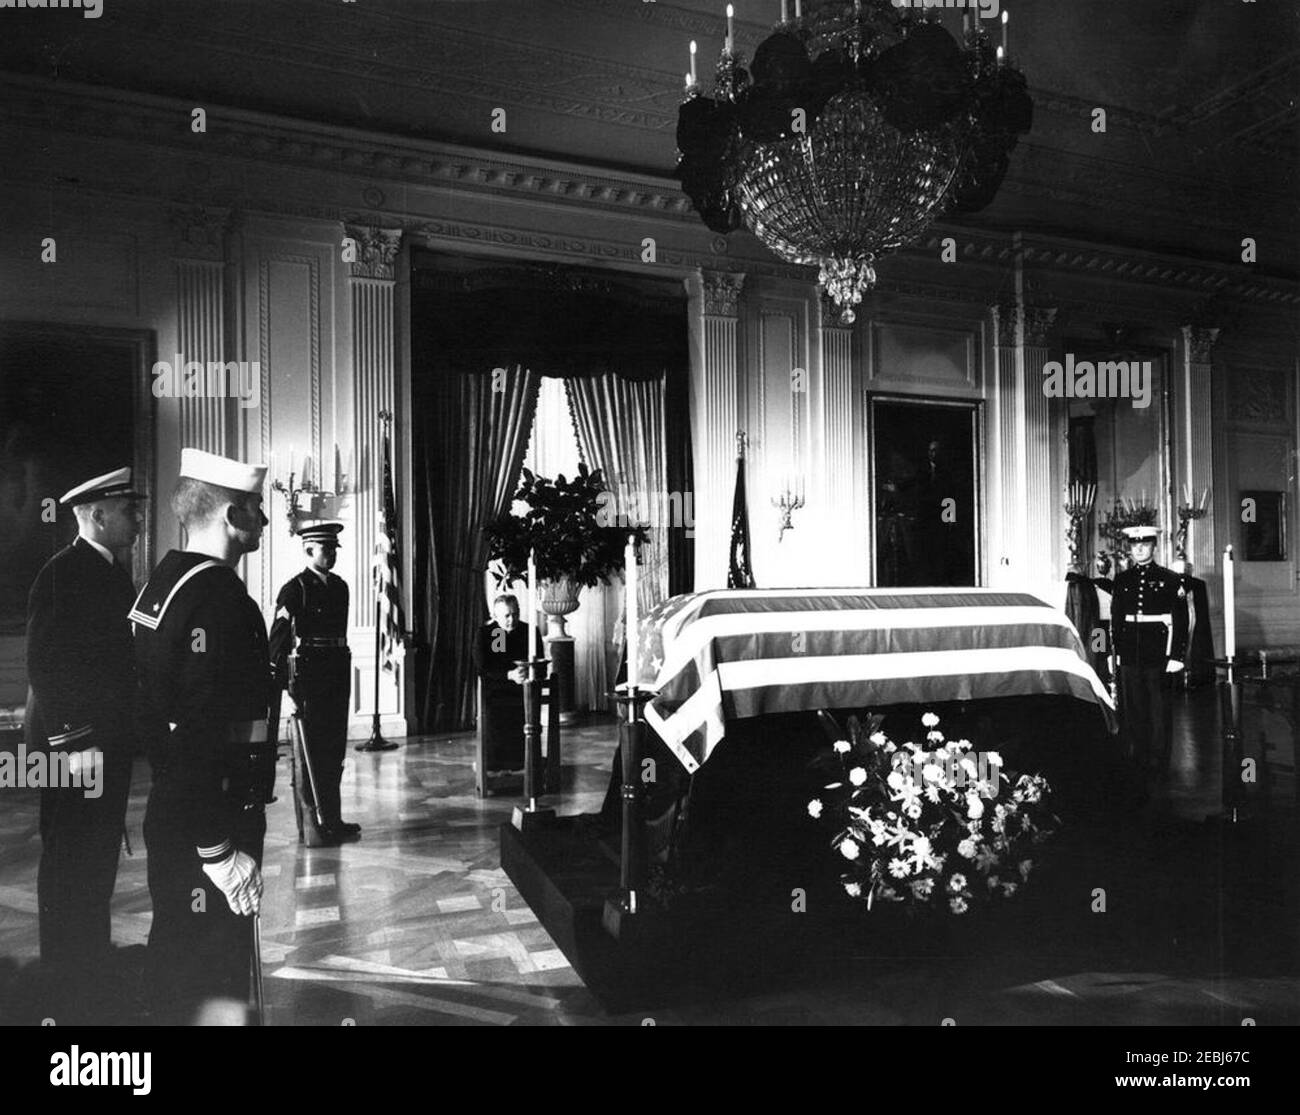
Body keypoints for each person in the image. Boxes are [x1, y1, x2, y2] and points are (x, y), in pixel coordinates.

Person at [129, 448, 274, 1023]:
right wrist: (219, 851)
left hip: (173, 810)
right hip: (215, 820)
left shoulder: (162, 584)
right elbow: (198, 733)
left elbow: (152, 717)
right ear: (232, 517)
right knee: (214, 988)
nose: (263, 522)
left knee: (177, 970)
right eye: (256, 510)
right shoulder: (222, 601)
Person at [25, 466, 145, 1019]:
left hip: (104, 749)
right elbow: (48, 668)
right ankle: (65, 983)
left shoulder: (111, 575)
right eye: (128, 510)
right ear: (97, 515)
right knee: (71, 863)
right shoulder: (62, 574)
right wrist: (75, 747)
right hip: (74, 753)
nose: (139, 518)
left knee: (94, 865)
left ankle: (89, 969)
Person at [268, 520, 358, 845]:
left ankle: (332, 818)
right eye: (326, 548)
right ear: (309, 550)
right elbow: (277, 642)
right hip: (310, 679)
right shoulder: (295, 589)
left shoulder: (340, 586)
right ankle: (314, 824)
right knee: (311, 754)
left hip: (337, 673)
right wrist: (284, 690)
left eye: (334, 548)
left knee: (334, 752)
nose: (332, 554)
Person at [1111, 525, 1189, 797]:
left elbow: (1181, 618)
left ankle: (1158, 761)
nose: (1139, 549)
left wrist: (1177, 655)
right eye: (1135, 545)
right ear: (1130, 549)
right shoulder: (1121, 580)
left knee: (1158, 709)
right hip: (1131, 651)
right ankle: (1138, 757)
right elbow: (1117, 618)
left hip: (1158, 651)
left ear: (1154, 546)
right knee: (1134, 708)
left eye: (1145, 544)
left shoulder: (1170, 579)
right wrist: (1115, 650)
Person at [472, 594, 530, 773]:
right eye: (506, 616)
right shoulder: (493, 633)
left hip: (523, 690)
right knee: (499, 715)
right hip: (497, 691)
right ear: (495, 616)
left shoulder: (528, 631)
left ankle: (524, 761)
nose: (512, 620)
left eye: (515, 614)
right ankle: (497, 763)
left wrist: (528, 670)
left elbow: (538, 660)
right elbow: (486, 668)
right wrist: (509, 675)